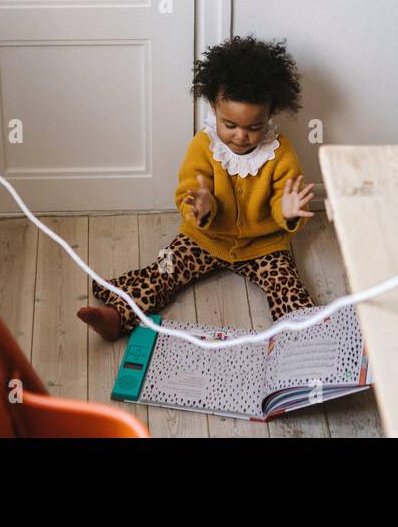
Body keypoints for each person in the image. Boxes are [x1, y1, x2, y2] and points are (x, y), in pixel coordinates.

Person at [77, 35, 317, 340]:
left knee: (288, 286)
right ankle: (117, 315)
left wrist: (287, 212)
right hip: (204, 237)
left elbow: (285, 195)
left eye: (253, 128)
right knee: (164, 268)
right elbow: (188, 190)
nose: (241, 136)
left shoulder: (280, 151)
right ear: (214, 108)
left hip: (264, 245)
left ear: (269, 116)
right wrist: (200, 208)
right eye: (230, 125)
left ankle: (311, 344)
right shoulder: (204, 145)